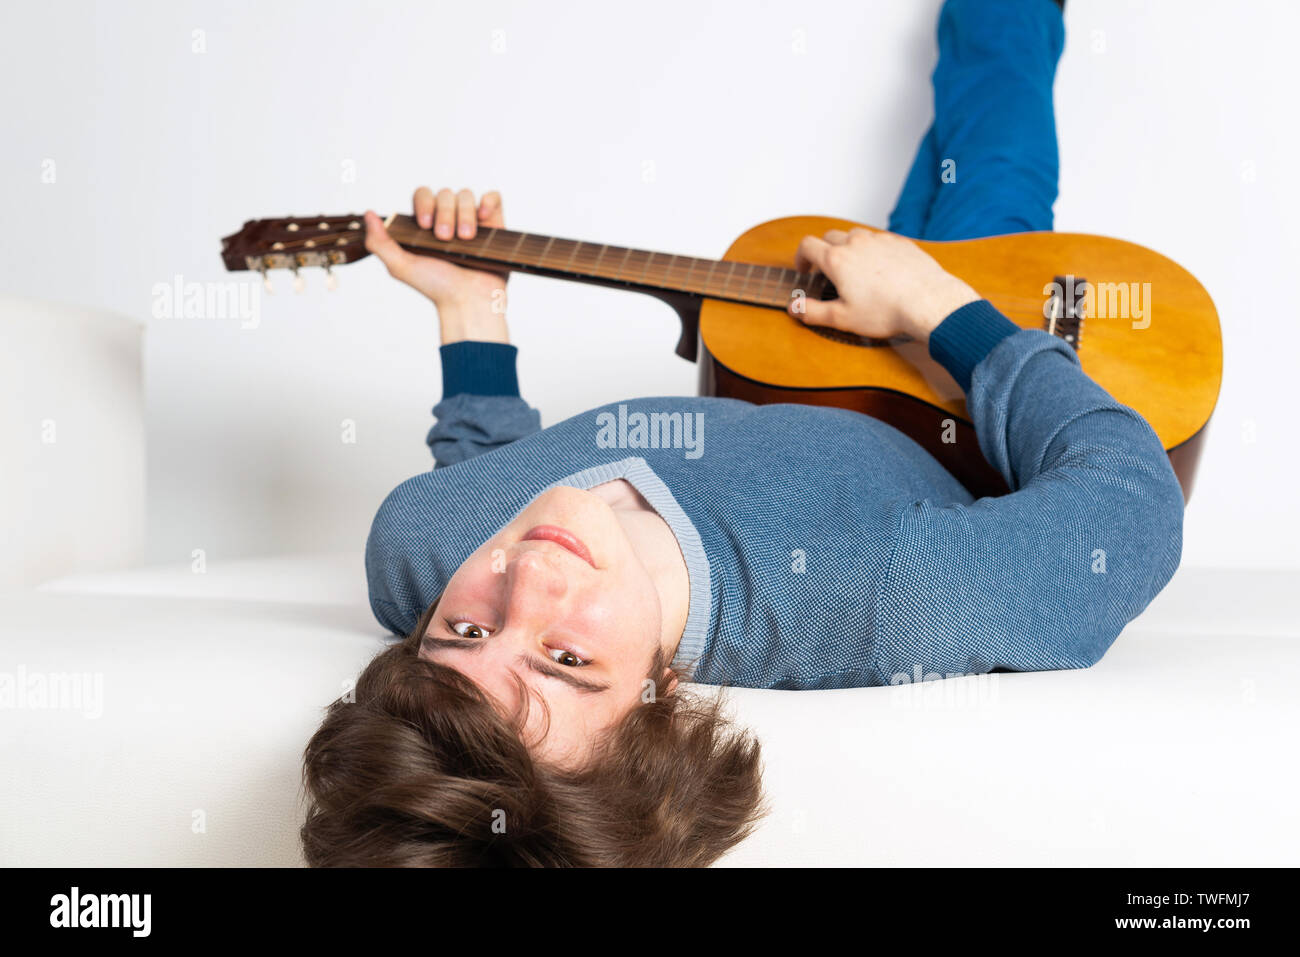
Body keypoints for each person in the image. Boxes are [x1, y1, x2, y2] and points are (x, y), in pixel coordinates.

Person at [301, 0, 1181, 867]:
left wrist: (473, 307)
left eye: (462, 633)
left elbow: (483, 480)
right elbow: (1129, 515)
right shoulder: (883, 596)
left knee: (953, 149)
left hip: (803, 354)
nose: (529, 571)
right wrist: (937, 306)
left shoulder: (417, 545)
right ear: (662, 698)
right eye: (566, 657)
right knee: (995, 146)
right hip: (943, 399)